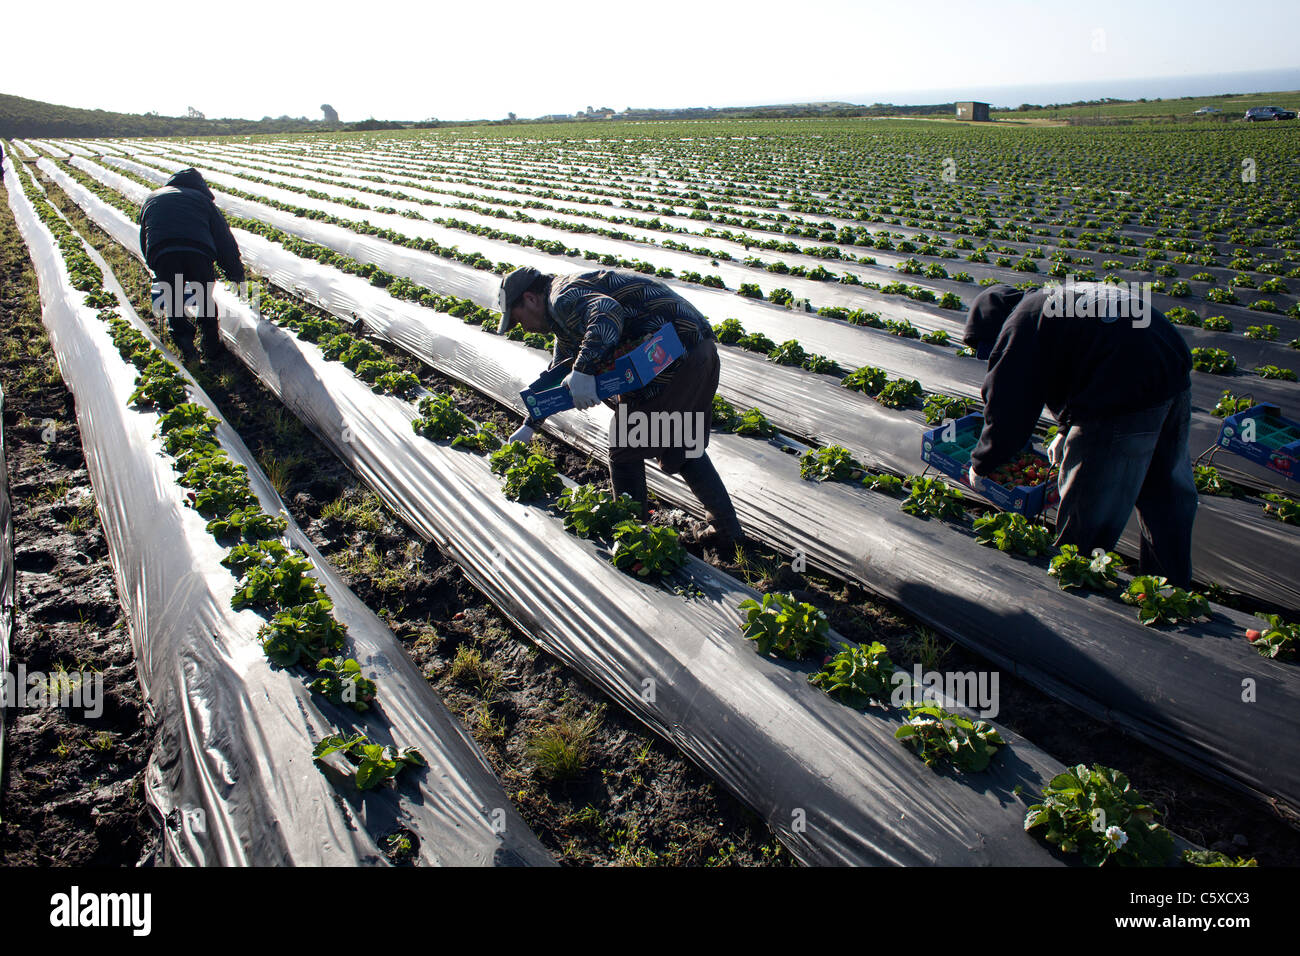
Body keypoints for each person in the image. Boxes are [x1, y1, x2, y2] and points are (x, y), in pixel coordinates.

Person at [962, 282, 1197, 587]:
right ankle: (1171, 589)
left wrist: (983, 464)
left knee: (1089, 506)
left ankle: (1076, 592)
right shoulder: (1056, 299)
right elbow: (1088, 350)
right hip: (1171, 370)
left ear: (993, 322)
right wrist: (1064, 429)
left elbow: (1008, 402)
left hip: (1123, 390)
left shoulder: (1021, 321)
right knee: (1164, 495)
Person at [499, 266, 743, 547]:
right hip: (696, 353)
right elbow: (558, 373)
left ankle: (633, 538)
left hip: (672, 359)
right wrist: (530, 424)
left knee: (624, 450)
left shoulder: (562, 298)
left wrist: (584, 369)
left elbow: (607, 312)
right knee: (681, 444)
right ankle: (726, 532)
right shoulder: (562, 315)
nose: (524, 328)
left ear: (529, 298)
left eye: (518, 320)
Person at [138, 168, 244, 362]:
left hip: (163, 251)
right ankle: (210, 345)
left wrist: (155, 263)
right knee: (203, 296)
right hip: (198, 251)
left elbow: (145, 236)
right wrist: (235, 272)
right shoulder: (203, 200)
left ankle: (186, 347)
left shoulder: (153, 198)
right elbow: (224, 240)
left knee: (174, 299)